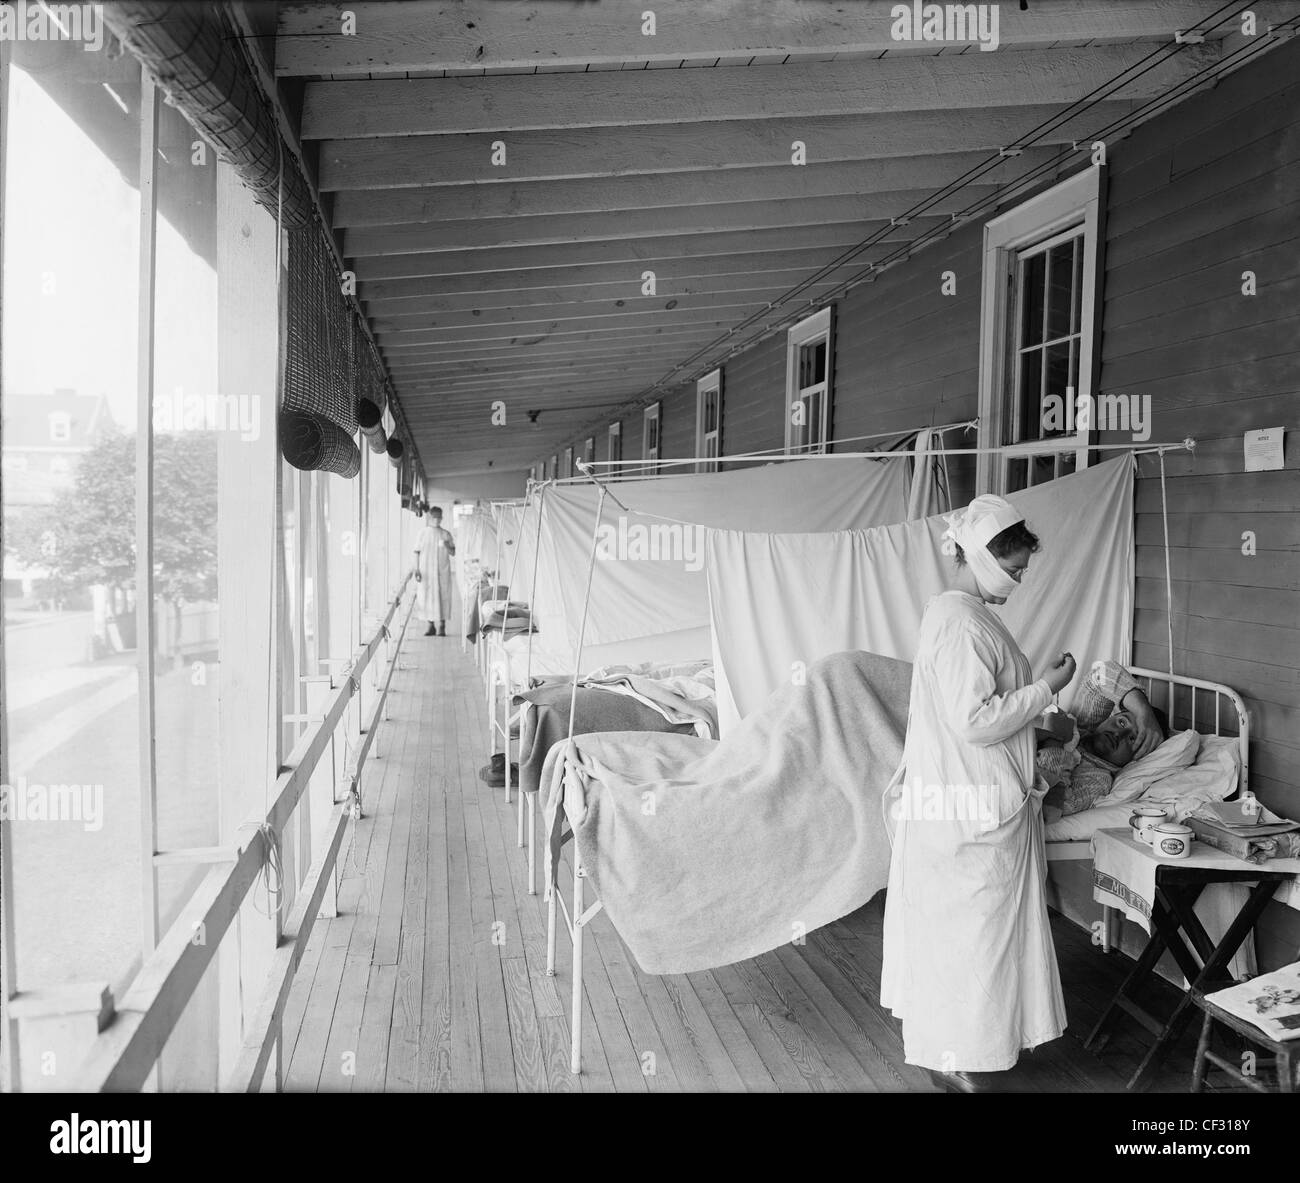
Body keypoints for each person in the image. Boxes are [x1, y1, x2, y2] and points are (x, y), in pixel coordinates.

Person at [880, 494, 1075, 1082]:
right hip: (968, 808)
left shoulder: (962, 614)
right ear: (983, 560)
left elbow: (971, 712)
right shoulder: (961, 621)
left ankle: (967, 1048)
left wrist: (1040, 724)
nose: (1018, 581)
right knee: (973, 940)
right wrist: (1047, 688)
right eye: (1013, 570)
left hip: (962, 798)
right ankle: (961, 1056)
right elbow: (973, 720)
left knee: (968, 937)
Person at [1037, 660, 1167, 819]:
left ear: (1138, 756)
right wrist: (1143, 712)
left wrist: (1054, 738)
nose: (1119, 734)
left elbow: (1052, 807)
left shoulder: (1098, 780)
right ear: (1113, 716)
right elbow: (1102, 672)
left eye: (1133, 738)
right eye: (1121, 722)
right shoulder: (1083, 724)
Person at [414, 506, 456, 636]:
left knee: (443, 596)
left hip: (441, 571)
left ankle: (442, 626)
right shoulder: (423, 533)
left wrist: (447, 545)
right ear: (430, 517)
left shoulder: (445, 534)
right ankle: (430, 625)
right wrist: (417, 569)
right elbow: (416, 552)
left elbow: (453, 552)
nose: (437, 519)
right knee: (428, 597)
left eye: (439, 517)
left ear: (442, 518)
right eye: (435, 517)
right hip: (426, 570)